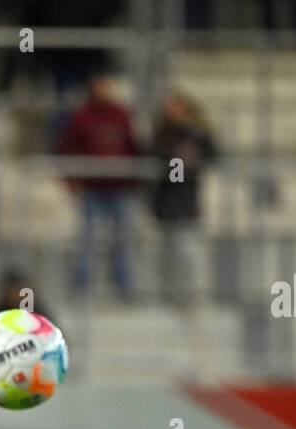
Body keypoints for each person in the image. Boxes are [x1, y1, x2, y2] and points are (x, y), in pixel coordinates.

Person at [56, 72, 140, 299]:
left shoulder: (121, 115)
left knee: (122, 238)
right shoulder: (81, 116)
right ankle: (82, 286)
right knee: (88, 237)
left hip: (119, 186)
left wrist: (135, 180)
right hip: (92, 186)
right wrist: (70, 179)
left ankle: (123, 286)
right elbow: (66, 146)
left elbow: (133, 147)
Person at [148, 91, 217, 315]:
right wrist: (177, 165)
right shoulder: (162, 137)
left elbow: (214, 155)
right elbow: (159, 164)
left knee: (186, 252)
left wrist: (190, 158)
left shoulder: (195, 136)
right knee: (166, 254)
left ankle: (189, 295)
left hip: (187, 204)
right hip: (165, 202)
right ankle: (168, 296)